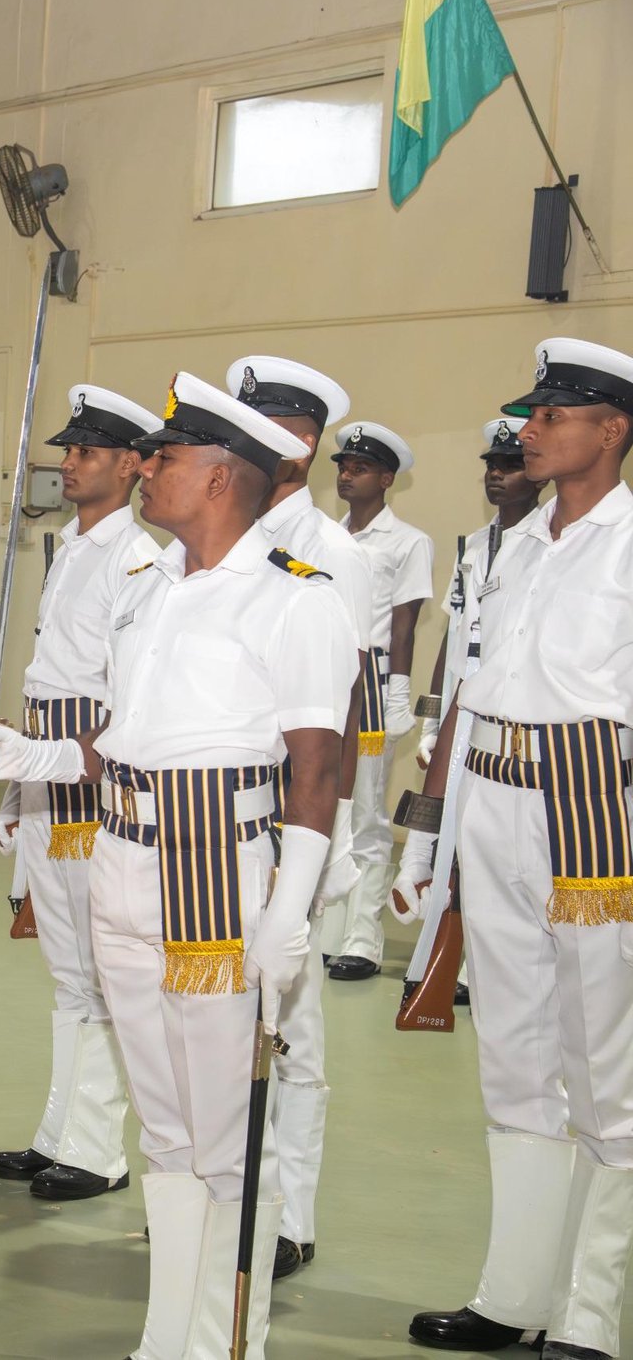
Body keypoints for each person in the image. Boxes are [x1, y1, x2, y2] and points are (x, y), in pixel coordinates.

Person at [0, 369, 355, 1358]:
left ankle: (228, 1345)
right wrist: (23, 755)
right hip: (123, 862)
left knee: (223, 1139)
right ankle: (162, 1339)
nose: (147, 469)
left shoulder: (293, 601)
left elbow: (316, 769)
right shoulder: (150, 590)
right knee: (166, 1134)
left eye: (166, 457)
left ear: (220, 476)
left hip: (219, 872)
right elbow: (118, 744)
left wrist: (286, 916)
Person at [398, 339, 633, 1360]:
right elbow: (466, 686)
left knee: (605, 1063)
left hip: (590, 798)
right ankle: (513, 1295)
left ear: (610, 429)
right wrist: (425, 830)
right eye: (529, 415)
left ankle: (587, 1317)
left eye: (551, 415)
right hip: (490, 796)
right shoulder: (510, 543)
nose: (527, 431)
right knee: (513, 1056)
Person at [0, 384, 161, 1202]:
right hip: (49, 774)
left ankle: (98, 1148)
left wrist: (39, 763)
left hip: (94, 781)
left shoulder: (140, 561)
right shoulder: (69, 546)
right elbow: (44, 683)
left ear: (132, 464)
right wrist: (19, 792)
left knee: (102, 972)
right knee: (66, 971)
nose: (70, 461)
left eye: (89, 450)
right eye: (69, 448)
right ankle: (59, 1129)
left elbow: (123, 712)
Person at [226, 353, 373, 1279]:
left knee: (293, 1025)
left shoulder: (337, 552)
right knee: (224, 1012)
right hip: (218, 814)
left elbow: (346, 713)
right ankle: (231, 1189)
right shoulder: (216, 533)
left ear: (302, 441)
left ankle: (287, 1213)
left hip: (294, 815)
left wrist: (326, 848)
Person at [323, 422, 432, 979]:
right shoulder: (328, 535)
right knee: (321, 800)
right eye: (343, 466)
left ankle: (363, 938)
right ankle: (328, 926)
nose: (347, 474)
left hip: (371, 676)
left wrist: (397, 692)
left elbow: (405, 623)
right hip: (326, 671)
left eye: (360, 468)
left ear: (387, 478)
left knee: (365, 810)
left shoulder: (408, 541)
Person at [415, 418, 544, 769]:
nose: (496, 475)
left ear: (539, 476)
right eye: (491, 466)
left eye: (511, 466)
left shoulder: (546, 546)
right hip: (461, 695)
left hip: (508, 709)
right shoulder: (471, 546)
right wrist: (432, 719)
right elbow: (452, 633)